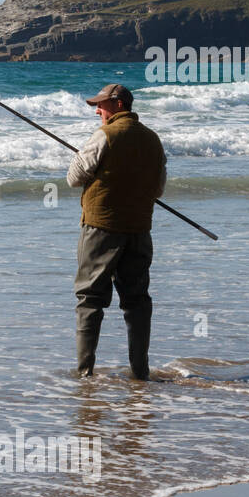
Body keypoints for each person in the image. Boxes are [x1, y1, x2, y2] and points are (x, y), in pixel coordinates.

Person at [65, 83, 167, 380]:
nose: (97, 110)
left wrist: (82, 157)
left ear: (119, 105)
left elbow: (73, 178)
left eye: (102, 105)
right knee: (137, 301)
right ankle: (140, 372)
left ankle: (85, 374)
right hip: (139, 231)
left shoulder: (104, 135)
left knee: (90, 300)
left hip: (101, 229)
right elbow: (158, 188)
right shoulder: (153, 140)